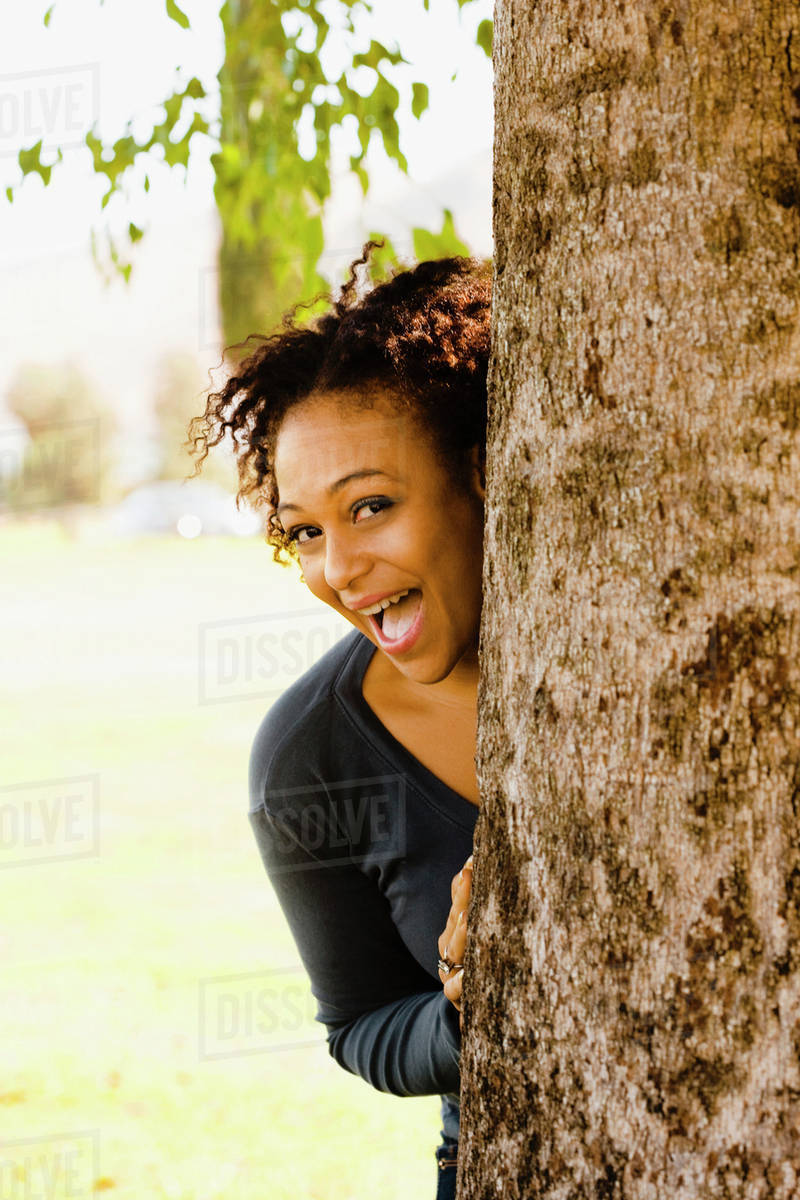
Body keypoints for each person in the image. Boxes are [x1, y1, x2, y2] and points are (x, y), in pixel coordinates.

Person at [191, 248, 489, 1199]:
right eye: (307, 531)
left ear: (482, 472)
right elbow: (360, 1025)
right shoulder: (310, 758)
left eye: (372, 505)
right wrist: (462, 1013)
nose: (340, 570)